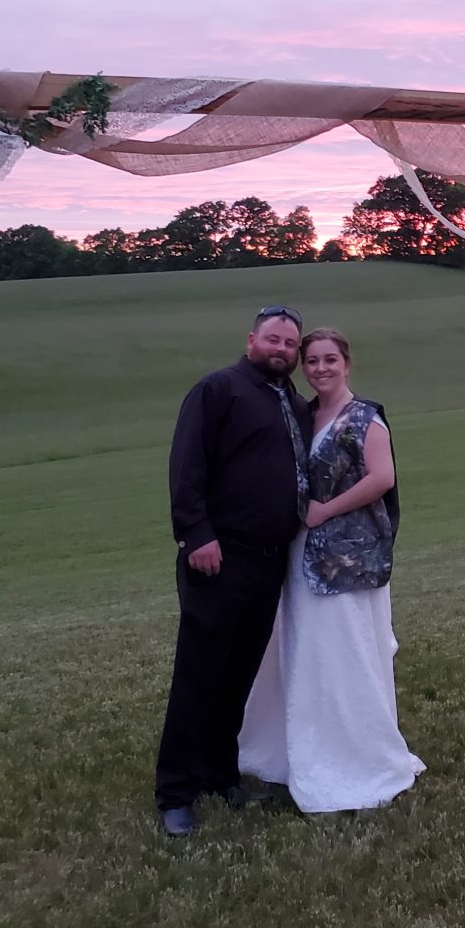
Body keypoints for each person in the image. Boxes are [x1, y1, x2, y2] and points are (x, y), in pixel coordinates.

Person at [239, 327, 424, 813]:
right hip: (303, 556)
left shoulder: (364, 417)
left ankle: (357, 758)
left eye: (329, 360)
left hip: (348, 560)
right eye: (312, 361)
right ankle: (305, 748)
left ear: (346, 363)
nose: (320, 368)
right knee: (308, 654)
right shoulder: (304, 414)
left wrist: (327, 510)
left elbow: (382, 478)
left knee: (346, 655)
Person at [156, 304, 312, 839]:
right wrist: (197, 534)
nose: (282, 350)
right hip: (219, 558)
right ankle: (175, 792)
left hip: (269, 564)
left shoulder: (290, 400)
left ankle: (221, 776)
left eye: (290, 345)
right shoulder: (218, 390)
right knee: (199, 674)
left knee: (237, 675)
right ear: (251, 339)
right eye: (273, 340)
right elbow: (186, 465)